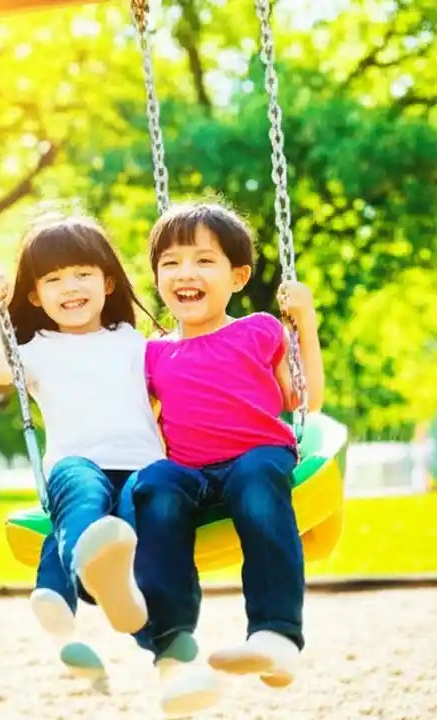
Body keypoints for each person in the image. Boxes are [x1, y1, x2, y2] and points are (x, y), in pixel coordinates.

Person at [0, 214, 218, 714]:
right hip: (75, 463)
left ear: (108, 282)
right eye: (53, 279)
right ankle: (87, 577)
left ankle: (159, 640)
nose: (70, 287)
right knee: (83, 498)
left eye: (82, 273)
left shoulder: (136, 342)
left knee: (143, 534)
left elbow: (188, 381)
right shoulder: (36, 350)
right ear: (35, 296)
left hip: (141, 467)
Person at [130, 201, 324, 699]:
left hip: (256, 456)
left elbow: (303, 399)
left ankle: (275, 634)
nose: (185, 273)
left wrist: (306, 323)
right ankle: (173, 647)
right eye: (170, 262)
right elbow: (141, 426)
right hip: (189, 471)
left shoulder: (258, 329)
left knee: (258, 481)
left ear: (237, 277)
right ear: (156, 278)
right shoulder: (152, 353)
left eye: (203, 260)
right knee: (154, 485)